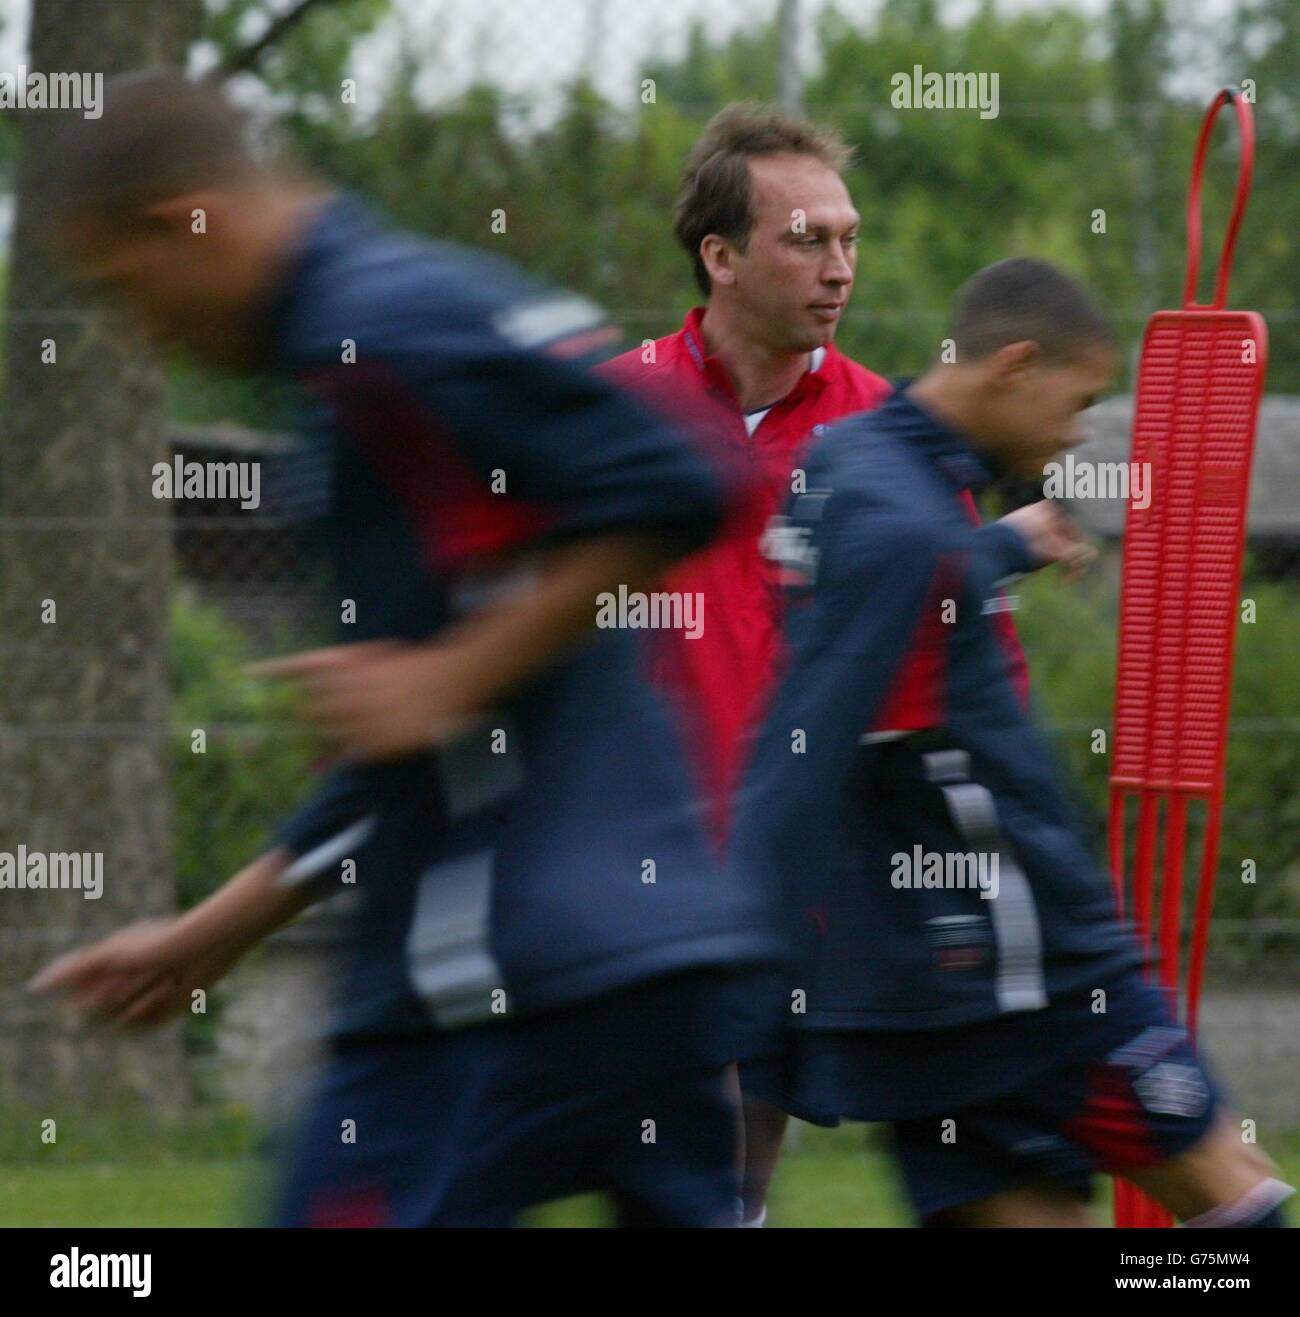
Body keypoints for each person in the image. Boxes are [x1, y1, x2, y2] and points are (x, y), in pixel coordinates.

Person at [30, 71, 779, 1227]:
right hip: (644, 958)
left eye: (130, 289)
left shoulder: (372, 337)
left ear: (191, 222)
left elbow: (685, 476)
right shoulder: (376, 336)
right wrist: (204, 939)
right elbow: (412, 743)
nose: (144, 331)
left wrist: (449, 675)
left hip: (493, 980)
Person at [602, 103, 1090, 1224]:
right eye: (805, 239)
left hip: (793, 883)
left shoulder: (885, 433)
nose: (839, 267)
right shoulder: (619, 410)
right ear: (719, 256)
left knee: (731, 1181)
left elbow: (964, 663)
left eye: (849, 238)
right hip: (631, 875)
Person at [732, 257, 1292, 1227]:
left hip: (911, 987)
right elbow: (804, 747)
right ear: (1014, 365)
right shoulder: (909, 533)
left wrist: (998, 547)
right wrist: (723, 945)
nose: (1074, 433)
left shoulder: (841, 463)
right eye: (1074, 403)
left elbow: (872, 618)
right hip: (1036, 965)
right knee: (1237, 1211)